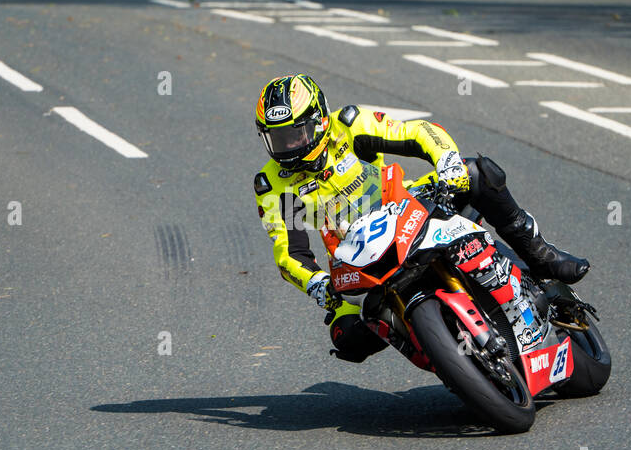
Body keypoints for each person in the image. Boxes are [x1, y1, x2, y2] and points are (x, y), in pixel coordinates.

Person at [252, 73, 589, 363]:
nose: (288, 148)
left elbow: (417, 133)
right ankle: (442, 354)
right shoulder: (273, 184)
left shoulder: (349, 125)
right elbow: (289, 254)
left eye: (295, 135)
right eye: (277, 140)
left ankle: (540, 254)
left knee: (476, 173)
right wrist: (316, 283)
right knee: (348, 336)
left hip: (407, 207)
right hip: (355, 260)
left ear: (320, 121)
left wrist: (447, 162)